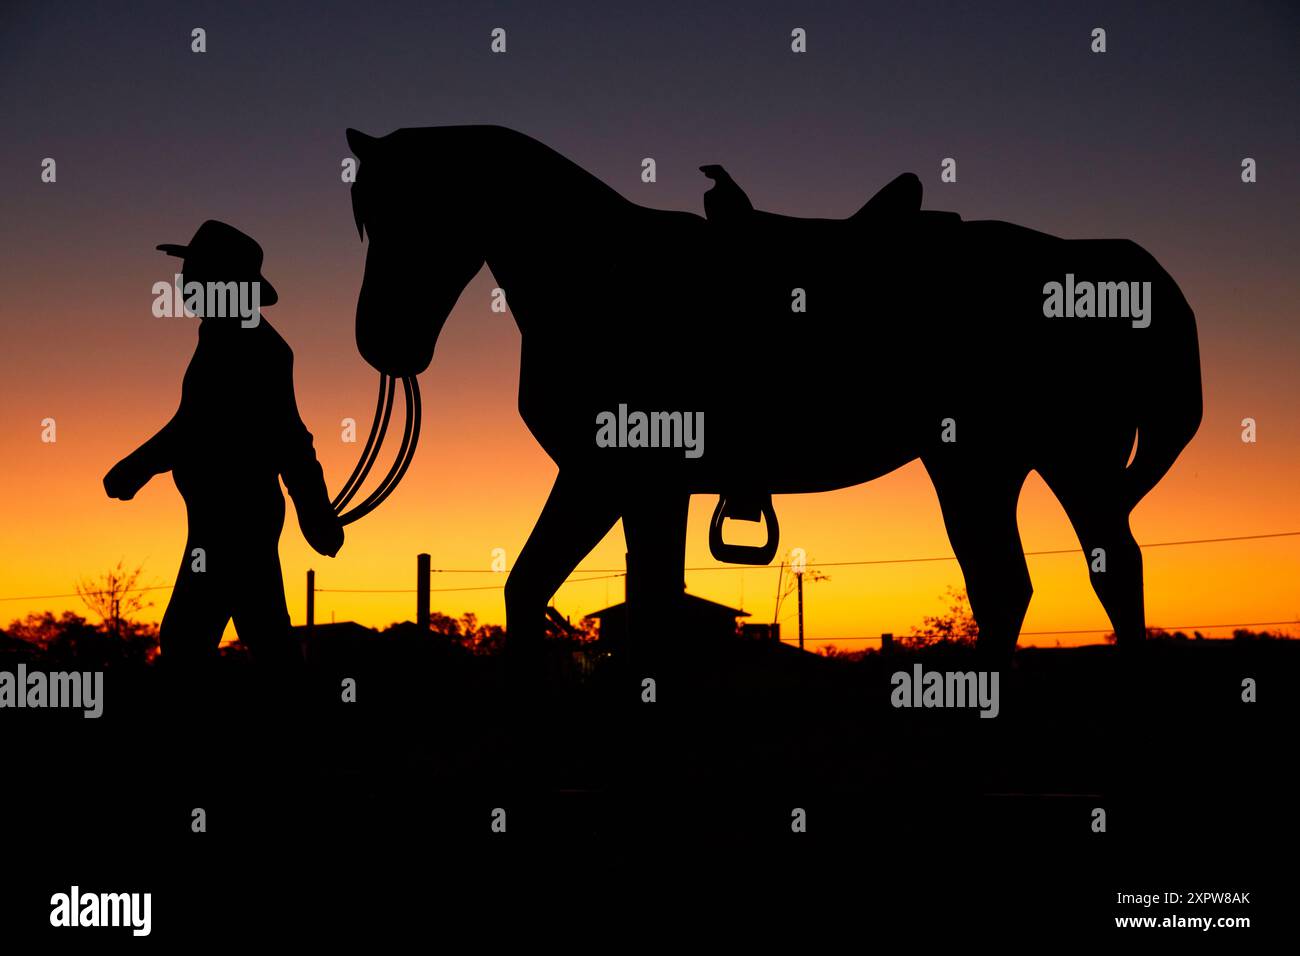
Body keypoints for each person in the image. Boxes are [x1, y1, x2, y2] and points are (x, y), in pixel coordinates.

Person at [104, 220, 343, 667]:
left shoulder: (252, 346)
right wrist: (315, 512)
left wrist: (136, 467)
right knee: (261, 631)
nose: (184, 283)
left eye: (194, 274)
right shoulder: (229, 338)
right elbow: (205, 426)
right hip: (231, 516)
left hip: (231, 519)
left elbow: (265, 435)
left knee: (187, 637)